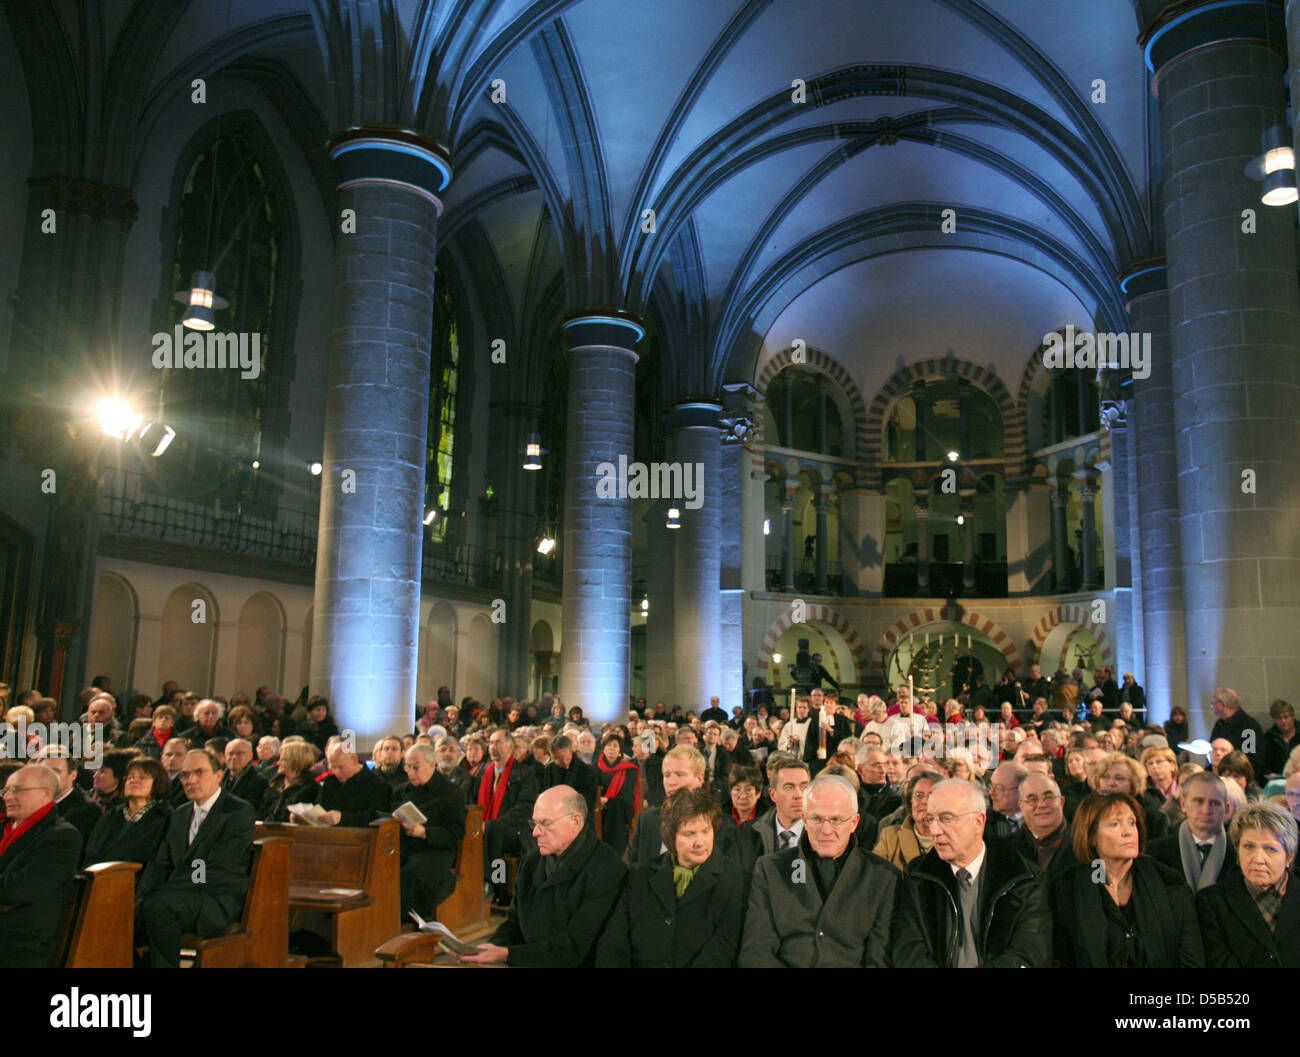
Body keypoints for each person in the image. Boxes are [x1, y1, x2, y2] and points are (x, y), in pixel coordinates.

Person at [740, 774, 900, 967]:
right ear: (805, 820)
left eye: (836, 820)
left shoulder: (882, 877)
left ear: (854, 823)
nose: (825, 830)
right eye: (816, 818)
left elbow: (878, 960)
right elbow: (756, 952)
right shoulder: (771, 869)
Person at [890, 778, 1052, 968]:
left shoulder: (1023, 877)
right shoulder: (918, 876)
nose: (934, 830)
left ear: (978, 821)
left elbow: (1030, 953)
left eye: (946, 819)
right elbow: (908, 950)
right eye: (931, 818)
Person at [461, 785, 626, 967]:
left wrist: (507, 954)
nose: (535, 832)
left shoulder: (607, 868)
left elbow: (576, 948)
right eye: (534, 823)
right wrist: (490, 947)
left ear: (576, 821)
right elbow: (514, 923)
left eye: (545, 824)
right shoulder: (532, 861)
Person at [597, 788, 747, 967]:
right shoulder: (640, 876)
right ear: (670, 836)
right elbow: (615, 939)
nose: (700, 842)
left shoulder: (735, 879)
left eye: (706, 831)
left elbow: (723, 949)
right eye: (689, 833)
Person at [1050, 792, 1203, 967]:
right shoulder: (1068, 888)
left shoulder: (1168, 882)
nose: (1128, 832)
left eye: (1132, 823)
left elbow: (1191, 958)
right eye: (1115, 824)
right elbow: (1061, 958)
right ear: (1091, 837)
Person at [137, 748, 257, 968]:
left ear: (218, 775)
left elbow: (212, 866)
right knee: (130, 908)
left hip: (216, 898)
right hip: (181, 895)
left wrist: (167, 889)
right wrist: (138, 897)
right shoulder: (179, 815)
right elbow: (160, 865)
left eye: (199, 772)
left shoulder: (237, 812)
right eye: (185, 775)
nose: (190, 780)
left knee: (158, 906)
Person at [1196, 801, 1300, 967]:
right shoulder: (1212, 902)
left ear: (1289, 857)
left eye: (1270, 849)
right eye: (1249, 847)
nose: (1258, 859)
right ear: (1237, 851)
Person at [0, 764, 83, 967]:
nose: (7, 797)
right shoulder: (5, 828)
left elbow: (19, 890)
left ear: (45, 794)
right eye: (5, 790)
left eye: (17, 790)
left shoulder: (62, 836)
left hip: (19, 945)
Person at [392, 742, 466, 914]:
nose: (410, 772)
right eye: (407, 767)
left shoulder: (451, 792)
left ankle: (407, 919)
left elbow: (455, 834)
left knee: (412, 874)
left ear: (432, 764)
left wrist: (425, 832)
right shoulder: (399, 791)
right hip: (404, 846)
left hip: (435, 850)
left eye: (415, 767)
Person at [1146, 772, 1237, 892]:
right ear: (1183, 805)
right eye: (1198, 801)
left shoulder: (1239, 856)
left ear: (1227, 809)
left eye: (1214, 803)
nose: (1206, 810)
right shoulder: (1154, 853)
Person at [478, 727, 537, 905]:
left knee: (493, 831)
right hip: (487, 827)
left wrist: (496, 823)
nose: (493, 747)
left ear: (510, 746)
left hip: (516, 831)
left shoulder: (524, 773)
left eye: (498, 742)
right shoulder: (484, 773)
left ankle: (497, 884)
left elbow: (525, 807)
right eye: (491, 743)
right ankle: (480, 885)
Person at [82, 756, 171, 867]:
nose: (134, 781)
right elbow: (92, 850)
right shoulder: (112, 814)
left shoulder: (164, 818)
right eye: (130, 778)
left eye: (142, 777)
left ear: (157, 783)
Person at [1009, 773, 1074, 883]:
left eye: (1049, 797)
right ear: (1021, 806)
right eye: (1032, 799)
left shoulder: (1086, 844)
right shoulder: (1006, 850)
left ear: (1062, 802)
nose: (1041, 804)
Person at [1088, 751, 1167, 839]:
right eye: (1105, 777)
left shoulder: (1153, 818)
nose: (1111, 783)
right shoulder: (1087, 812)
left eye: (1119, 778)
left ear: (1133, 784)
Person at [31, 748, 102, 842]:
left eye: (56, 771)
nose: (49, 777)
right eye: (44, 772)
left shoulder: (89, 810)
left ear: (73, 775)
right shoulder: (32, 804)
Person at [746, 754, 810, 856]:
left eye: (804, 787)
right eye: (789, 787)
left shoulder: (823, 834)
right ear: (773, 795)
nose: (799, 795)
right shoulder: (749, 834)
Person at [872, 772, 936, 870]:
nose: (924, 801)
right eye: (918, 795)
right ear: (910, 801)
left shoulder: (953, 837)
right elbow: (874, 874)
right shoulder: (890, 836)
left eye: (931, 796)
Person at [318, 743, 392, 826]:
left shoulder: (377, 784)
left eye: (340, 767)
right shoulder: (330, 782)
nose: (336, 772)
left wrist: (343, 818)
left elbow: (377, 818)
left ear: (354, 759)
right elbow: (320, 807)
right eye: (333, 768)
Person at [595, 734, 640, 855]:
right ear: (603, 748)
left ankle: (613, 852)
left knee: (614, 809)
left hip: (621, 806)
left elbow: (627, 795)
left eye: (615, 746)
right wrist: (600, 800)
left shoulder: (629, 770)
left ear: (620, 750)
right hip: (597, 806)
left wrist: (607, 801)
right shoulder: (595, 768)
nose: (611, 748)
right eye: (608, 745)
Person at [1209, 688, 1264, 778]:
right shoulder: (1220, 724)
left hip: (1237, 776)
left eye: (1214, 702)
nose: (1212, 705)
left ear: (1224, 704)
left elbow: (1252, 759)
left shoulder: (1248, 726)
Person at [539, 734, 599, 818]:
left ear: (570, 751)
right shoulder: (550, 769)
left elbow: (587, 805)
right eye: (554, 758)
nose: (556, 762)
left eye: (560, 757)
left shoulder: (588, 772)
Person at [260, 740, 319, 822]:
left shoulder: (310, 788)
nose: (278, 763)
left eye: (283, 760)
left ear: (296, 761)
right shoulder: (275, 783)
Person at [221, 738, 268, 808]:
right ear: (225, 756)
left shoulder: (259, 781)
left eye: (239, 753)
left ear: (250, 756)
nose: (234, 757)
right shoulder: (217, 779)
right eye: (230, 753)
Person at [986, 761, 1026, 838]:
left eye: (998, 788)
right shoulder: (988, 820)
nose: (991, 793)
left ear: (1021, 790)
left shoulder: (1039, 814)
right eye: (991, 785)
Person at [1262, 700, 1298, 779]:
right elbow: (1263, 765)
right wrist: (1269, 774)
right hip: (1279, 780)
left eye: (1286, 717)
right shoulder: (1269, 738)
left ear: (1292, 716)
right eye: (1279, 718)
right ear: (1274, 720)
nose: (1283, 721)